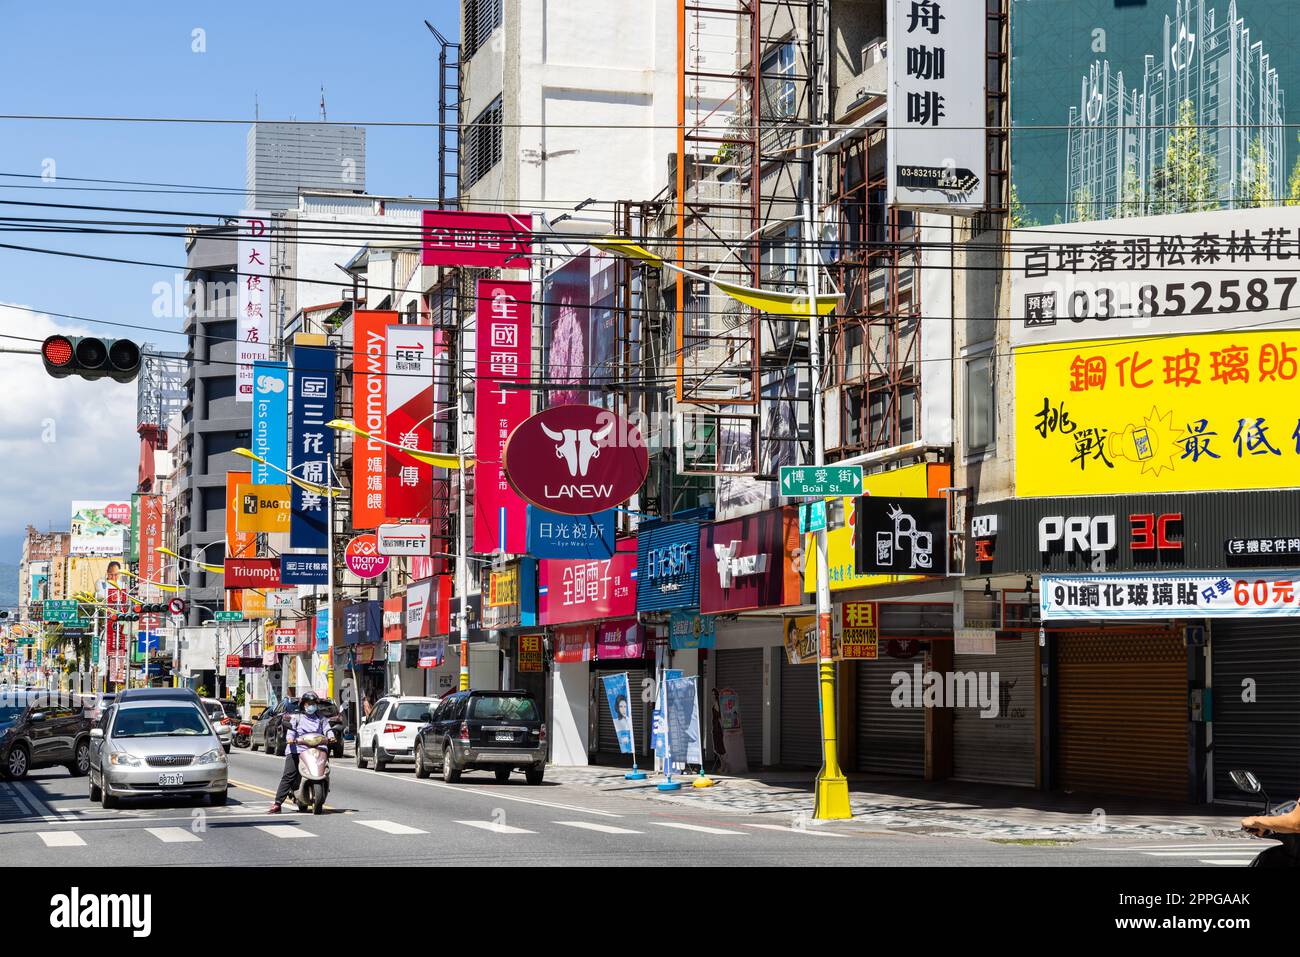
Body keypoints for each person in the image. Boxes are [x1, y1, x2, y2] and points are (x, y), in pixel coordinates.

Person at [269, 692, 335, 813]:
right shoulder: (297, 718)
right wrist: (290, 739)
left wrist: (331, 736)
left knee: (325, 767)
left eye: (314, 704)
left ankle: (324, 785)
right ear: (304, 705)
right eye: (309, 704)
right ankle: (277, 803)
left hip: (317, 749)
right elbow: (291, 731)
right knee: (289, 775)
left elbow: (328, 729)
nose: (311, 706)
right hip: (297, 749)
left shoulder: (321, 719)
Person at [709, 688, 726, 773]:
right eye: (711, 694)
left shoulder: (717, 704)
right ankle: (723, 764)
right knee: (716, 748)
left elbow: (719, 716)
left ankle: (724, 765)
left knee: (718, 747)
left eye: (713, 694)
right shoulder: (715, 704)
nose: (712, 696)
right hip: (715, 726)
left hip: (718, 727)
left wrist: (722, 727)